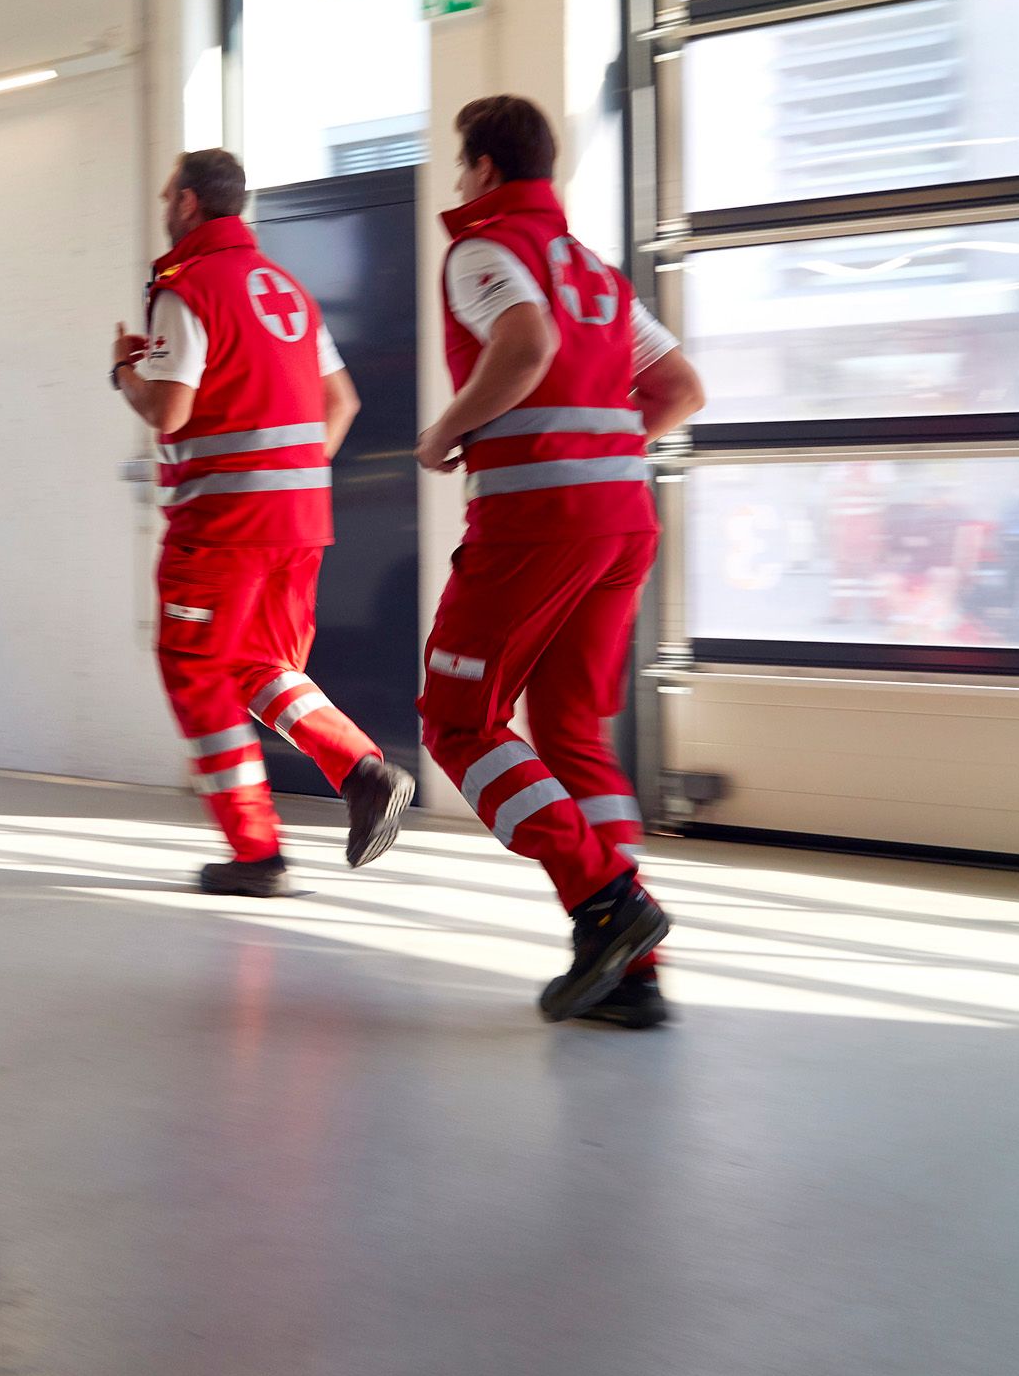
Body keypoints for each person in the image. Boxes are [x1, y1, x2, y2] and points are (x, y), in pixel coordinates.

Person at [384, 95, 704, 1028]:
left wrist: (445, 430)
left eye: (459, 165)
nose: (456, 182)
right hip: (619, 524)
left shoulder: (484, 252)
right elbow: (680, 389)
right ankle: (633, 976)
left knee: (459, 721)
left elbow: (524, 346)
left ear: (484, 169)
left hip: (535, 526)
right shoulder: (599, 274)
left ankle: (607, 902)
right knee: (570, 731)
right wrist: (598, 457)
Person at [113, 149, 414, 897]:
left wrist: (124, 372)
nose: (163, 204)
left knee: (194, 672)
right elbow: (340, 403)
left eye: (165, 193)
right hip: (299, 523)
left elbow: (169, 411)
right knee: (257, 667)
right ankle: (363, 768)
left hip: (219, 526)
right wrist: (293, 479)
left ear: (186, 203)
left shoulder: (186, 288)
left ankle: (256, 852)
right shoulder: (289, 292)